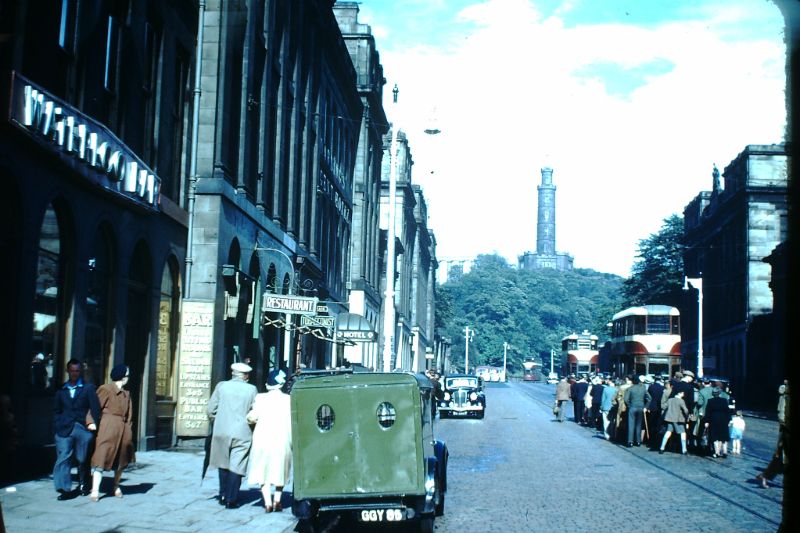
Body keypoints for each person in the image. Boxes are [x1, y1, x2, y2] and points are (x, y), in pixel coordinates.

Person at [207, 362, 258, 509]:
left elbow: (211, 410)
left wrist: (218, 421)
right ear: (245, 376)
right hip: (242, 432)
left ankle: (223, 494)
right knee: (237, 465)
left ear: (233, 373)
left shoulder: (221, 386)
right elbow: (254, 412)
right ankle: (231, 499)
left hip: (221, 430)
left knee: (223, 462)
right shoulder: (252, 389)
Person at [53, 358, 101, 500]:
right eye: (72, 371)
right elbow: (56, 410)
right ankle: (64, 489)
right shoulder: (61, 389)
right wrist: (57, 424)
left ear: (81, 372)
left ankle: (83, 484)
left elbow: (95, 408)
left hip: (82, 428)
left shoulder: (88, 388)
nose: (75, 373)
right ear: (68, 371)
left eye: (77, 371)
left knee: (82, 458)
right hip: (64, 428)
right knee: (63, 457)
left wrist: (93, 426)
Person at [247, 369, 293, 513]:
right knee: (280, 470)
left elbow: (252, 417)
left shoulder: (260, 398)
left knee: (263, 471)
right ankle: (277, 500)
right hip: (282, 440)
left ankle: (267, 503)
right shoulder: (288, 400)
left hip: (263, 440)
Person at [89, 364, 135, 502]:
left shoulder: (126, 394)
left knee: (121, 460)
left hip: (123, 429)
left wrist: (128, 430)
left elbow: (130, 415)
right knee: (101, 457)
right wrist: (90, 421)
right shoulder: (106, 389)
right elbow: (95, 407)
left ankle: (116, 486)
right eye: (127, 374)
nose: (128, 377)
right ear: (122, 376)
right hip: (107, 428)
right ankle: (95, 490)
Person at [756, 380, 789, 489]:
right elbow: (782, 416)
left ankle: (765, 475)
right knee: (780, 457)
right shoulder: (785, 396)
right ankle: (765, 475)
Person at [703, 388, 731, 458]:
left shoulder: (710, 401)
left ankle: (717, 452)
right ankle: (725, 452)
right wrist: (729, 420)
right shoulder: (724, 400)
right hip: (723, 419)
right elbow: (727, 411)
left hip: (714, 419)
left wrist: (707, 421)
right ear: (719, 393)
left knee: (715, 437)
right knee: (723, 436)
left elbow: (708, 412)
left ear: (713, 394)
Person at [659, 390, 689, 455]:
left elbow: (663, 406)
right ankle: (684, 449)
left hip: (669, 419)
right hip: (678, 420)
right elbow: (685, 410)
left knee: (668, 432)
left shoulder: (670, 400)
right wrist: (687, 417)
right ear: (679, 393)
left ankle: (662, 448)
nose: (683, 393)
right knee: (683, 433)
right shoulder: (681, 401)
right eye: (682, 392)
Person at [624, 375, 651, 447]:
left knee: (631, 424)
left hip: (632, 407)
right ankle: (638, 441)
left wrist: (629, 405)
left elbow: (626, 399)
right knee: (639, 424)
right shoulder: (643, 388)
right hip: (641, 407)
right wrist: (646, 407)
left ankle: (630, 441)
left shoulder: (630, 389)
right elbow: (649, 398)